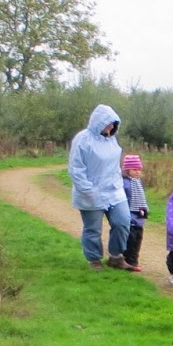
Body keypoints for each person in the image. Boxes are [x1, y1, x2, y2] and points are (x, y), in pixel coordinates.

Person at [67, 104, 130, 270]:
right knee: (93, 229)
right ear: (99, 122)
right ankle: (94, 260)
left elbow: (114, 165)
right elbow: (76, 168)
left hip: (114, 190)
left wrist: (119, 180)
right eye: (108, 123)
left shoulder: (112, 140)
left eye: (113, 123)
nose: (110, 127)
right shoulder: (83, 139)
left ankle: (116, 256)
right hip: (91, 191)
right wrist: (88, 190)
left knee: (122, 222)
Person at [120, 153, 148, 272]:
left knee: (138, 238)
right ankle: (128, 261)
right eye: (134, 169)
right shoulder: (125, 183)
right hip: (129, 215)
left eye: (139, 169)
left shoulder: (138, 182)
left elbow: (141, 199)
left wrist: (143, 215)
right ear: (127, 170)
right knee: (130, 239)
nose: (137, 172)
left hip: (139, 216)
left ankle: (134, 260)